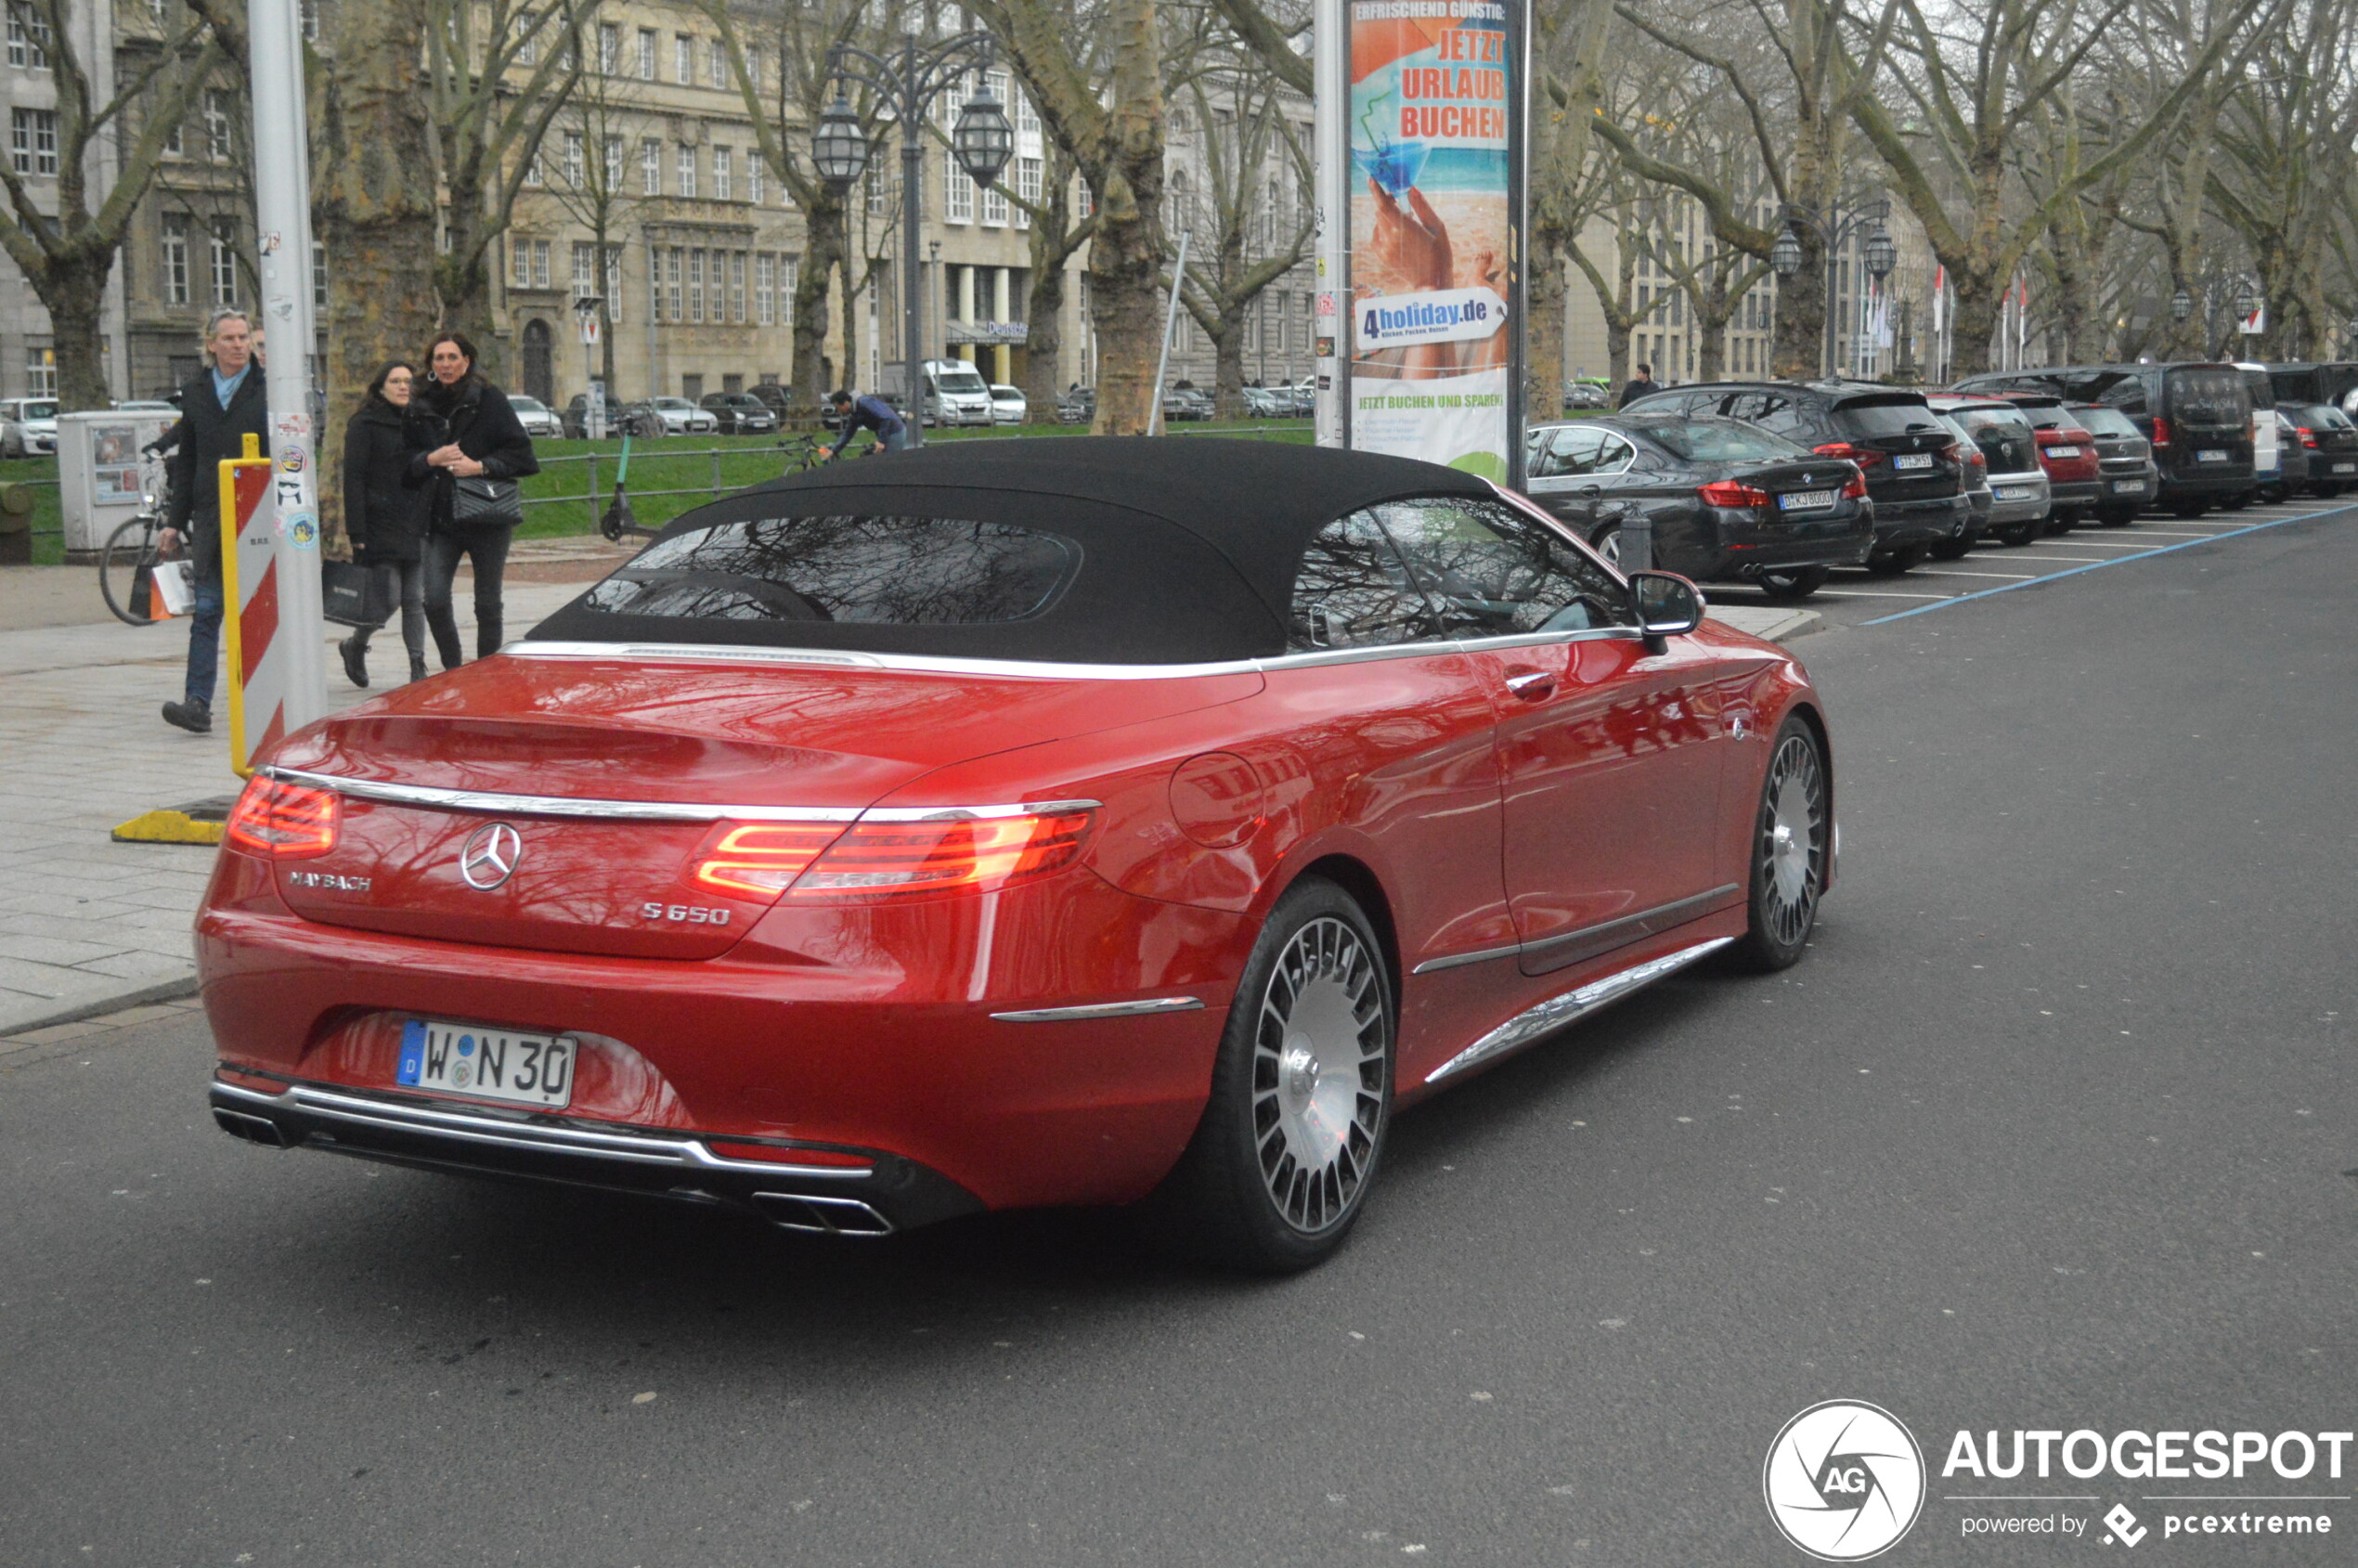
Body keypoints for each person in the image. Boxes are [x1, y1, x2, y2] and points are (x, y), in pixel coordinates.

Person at [157, 307, 267, 735]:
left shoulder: (268, 389)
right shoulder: (197, 391)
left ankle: (267, 698)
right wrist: (173, 520)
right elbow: (188, 461)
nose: (239, 345)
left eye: (245, 338)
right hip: (210, 517)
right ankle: (197, 703)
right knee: (206, 610)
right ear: (211, 344)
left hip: (257, 516)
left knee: (258, 612)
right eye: (230, 338)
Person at [411, 332, 538, 667]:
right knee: (434, 600)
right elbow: (403, 463)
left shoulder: (489, 399)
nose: (446, 364)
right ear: (431, 365)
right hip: (440, 517)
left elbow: (523, 457)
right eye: (439, 358)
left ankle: (486, 671)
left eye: (453, 358)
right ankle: (453, 668)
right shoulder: (419, 404)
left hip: (487, 514)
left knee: (487, 603)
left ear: (467, 362)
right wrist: (431, 459)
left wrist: (480, 466)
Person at [337, 362, 433, 687]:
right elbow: (354, 479)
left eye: (408, 381)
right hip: (379, 522)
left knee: (414, 598)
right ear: (381, 387)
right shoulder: (364, 424)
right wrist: (357, 531)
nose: (404, 387)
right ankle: (356, 645)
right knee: (388, 597)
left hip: (417, 519)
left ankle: (418, 664)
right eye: (396, 381)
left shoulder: (422, 422)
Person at [821, 388, 908, 461]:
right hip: (885, 434)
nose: (838, 412)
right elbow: (847, 435)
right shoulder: (854, 415)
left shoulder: (864, 402)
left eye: (838, 408)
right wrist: (833, 451)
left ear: (845, 403)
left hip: (895, 432)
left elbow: (885, 418)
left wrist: (881, 441)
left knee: (888, 462)